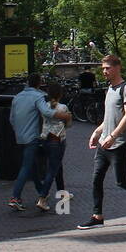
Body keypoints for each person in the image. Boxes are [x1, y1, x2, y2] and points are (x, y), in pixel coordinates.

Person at [77, 55, 126, 229]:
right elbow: (109, 117)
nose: (104, 71)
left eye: (107, 68)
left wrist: (114, 136)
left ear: (117, 68)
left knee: (122, 181)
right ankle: (97, 216)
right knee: (96, 179)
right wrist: (97, 132)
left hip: (117, 145)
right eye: (103, 68)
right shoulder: (109, 89)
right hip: (104, 143)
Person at [8, 74, 72, 211]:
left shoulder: (17, 97)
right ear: (39, 83)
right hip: (34, 137)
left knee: (33, 166)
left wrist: (18, 131)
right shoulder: (38, 97)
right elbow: (47, 112)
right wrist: (64, 116)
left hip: (20, 137)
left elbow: (11, 118)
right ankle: (16, 197)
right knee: (27, 166)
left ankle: (43, 190)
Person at [35, 82, 72, 212]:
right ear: (60, 94)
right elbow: (68, 125)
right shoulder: (63, 107)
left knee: (57, 166)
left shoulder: (44, 106)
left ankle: (62, 192)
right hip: (58, 140)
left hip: (45, 139)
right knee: (52, 169)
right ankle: (42, 198)